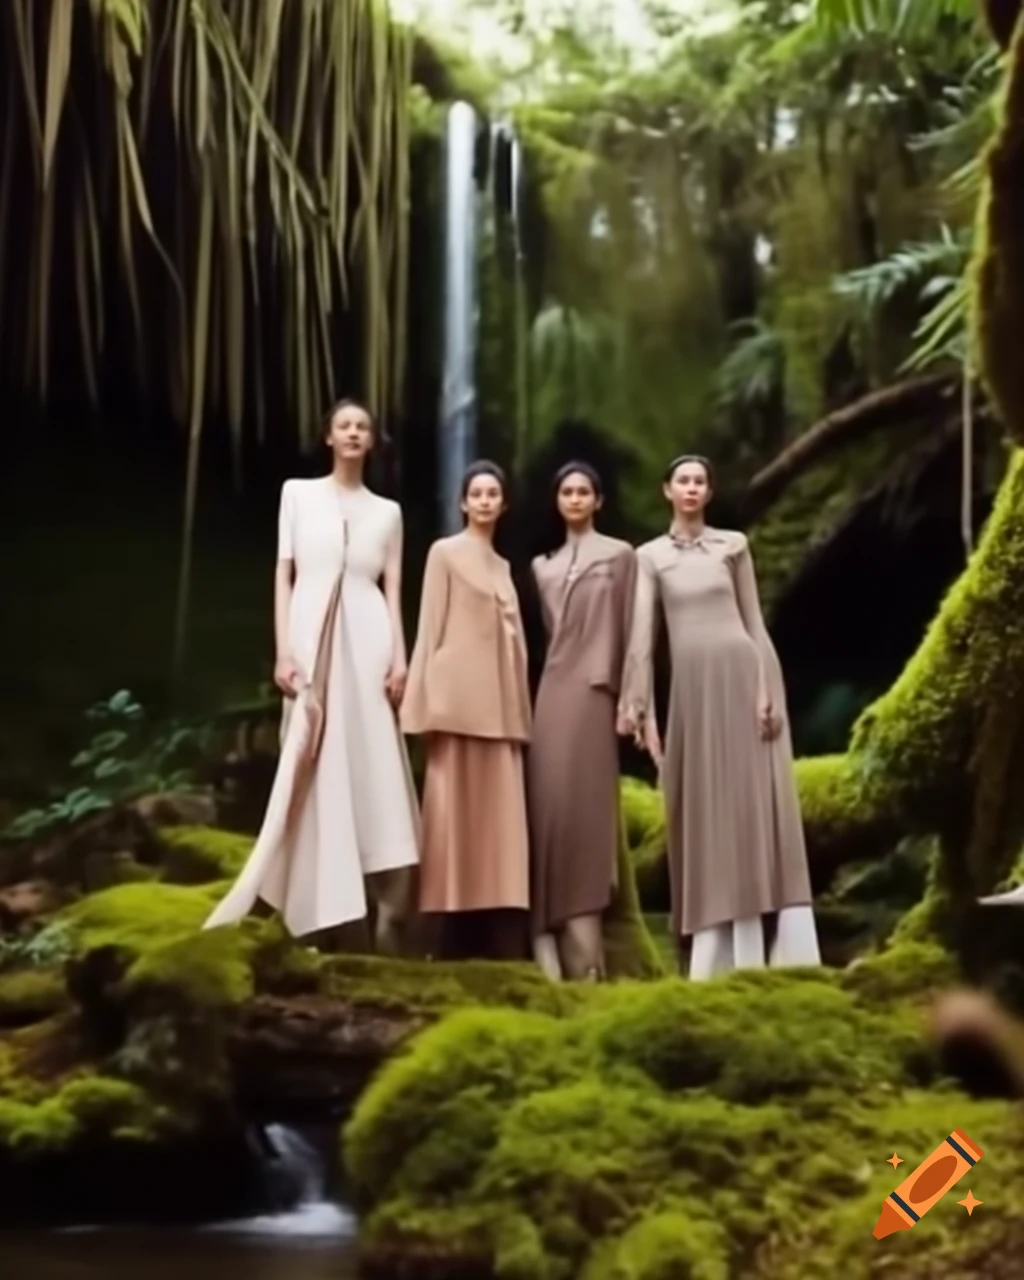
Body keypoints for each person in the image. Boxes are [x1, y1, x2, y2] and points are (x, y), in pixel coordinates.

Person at [203, 399, 420, 946]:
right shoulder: (296, 495)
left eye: (362, 428)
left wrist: (401, 656)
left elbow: (392, 590)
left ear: (371, 442)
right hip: (309, 639)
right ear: (329, 437)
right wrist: (283, 651)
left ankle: (383, 899)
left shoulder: (388, 512)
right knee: (309, 757)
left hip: (368, 638)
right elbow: (284, 575)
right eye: (344, 426)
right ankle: (310, 904)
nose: (353, 434)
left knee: (371, 757)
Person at [620, 454, 821, 980]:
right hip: (693, 691)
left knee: (751, 806)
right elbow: (643, 636)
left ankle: (770, 948)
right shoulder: (650, 557)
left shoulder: (733, 546)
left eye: (700, 482)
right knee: (703, 809)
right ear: (667, 490)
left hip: (743, 679)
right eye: (682, 481)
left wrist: (765, 691)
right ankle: (714, 954)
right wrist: (638, 706)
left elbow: (755, 623)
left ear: (708, 493)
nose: (691, 489)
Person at [400, 460, 532, 960]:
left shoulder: (502, 567)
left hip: (500, 708)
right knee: (450, 812)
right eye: (475, 493)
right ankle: (443, 926)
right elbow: (429, 627)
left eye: (492, 493)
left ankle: (498, 918)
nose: (483, 500)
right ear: (462, 503)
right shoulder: (445, 554)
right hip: (456, 702)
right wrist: (421, 701)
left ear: (503, 504)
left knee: (499, 817)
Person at [526, 462, 636, 981]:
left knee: (586, 813)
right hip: (550, 694)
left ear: (598, 501)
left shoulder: (620, 556)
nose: (575, 498)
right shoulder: (540, 567)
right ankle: (546, 945)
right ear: (557, 501)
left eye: (584, 491)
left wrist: (631, 698)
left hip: (595, 692)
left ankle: (589, 953)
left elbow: (636, 635)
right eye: (566, 491)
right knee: (545, 811)